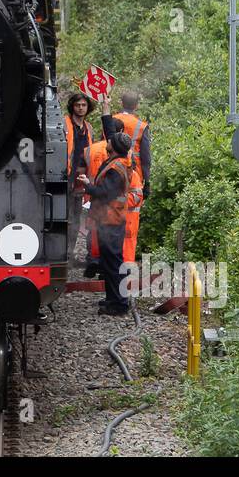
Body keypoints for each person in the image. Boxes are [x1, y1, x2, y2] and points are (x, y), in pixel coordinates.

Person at [76, 131, 141, 315]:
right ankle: (113, 298)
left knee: (113, 263)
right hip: (109, 218)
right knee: (109, 261)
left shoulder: (116, 168)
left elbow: (105, 193)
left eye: (110, 140)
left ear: (114, 147)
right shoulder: (117, 162)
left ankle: (119, 304)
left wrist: (88, 185)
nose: (107, 141)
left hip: (111, 219)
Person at [112, 90, 151, 264]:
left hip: (112, 171)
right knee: (130, 217)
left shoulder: (111, 120)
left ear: (121, 102)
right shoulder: (141, 126)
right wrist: (147, 181)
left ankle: (109, 256)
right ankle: (126, 259)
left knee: (111, 214)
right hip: (134, 175)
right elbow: (146, 157)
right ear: (136, 105)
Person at [64, 92, 97, 258]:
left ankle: (69, 251)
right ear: (73, 106)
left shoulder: (89, 128)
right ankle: (60, 249)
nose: (81, 108)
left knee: (76, 217)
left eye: (84, 105)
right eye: (78, 105)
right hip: (65, 176)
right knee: (64, 215)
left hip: (81, 178)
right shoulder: (64, 124)